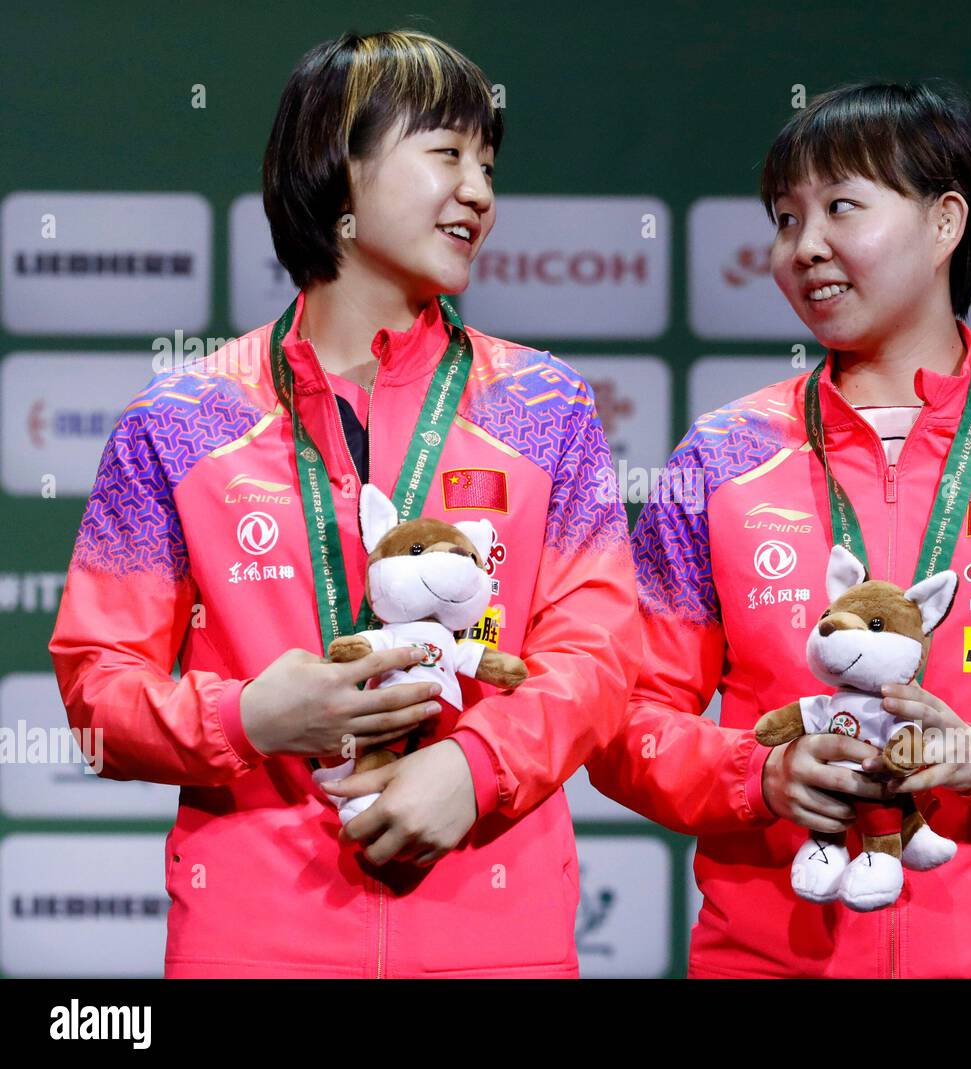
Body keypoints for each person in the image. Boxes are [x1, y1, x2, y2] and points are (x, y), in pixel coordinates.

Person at [49, 29, 640, 978]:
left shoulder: (543, 405)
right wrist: (246, 719)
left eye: (488, 164)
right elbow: (94, 691)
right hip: (254, 944)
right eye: (446, 153)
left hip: (498, 938)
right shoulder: (182, 420)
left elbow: (601, 655)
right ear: (338, 167)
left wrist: (472, 766)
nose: (480, 192)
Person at [585, 81, 971, 978]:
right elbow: (625, 720)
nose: (806, 247)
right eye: (786, 219)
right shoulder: (721, 456)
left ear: (947, 222)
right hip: (769, 958)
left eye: (840, 207)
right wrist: (760, 776)